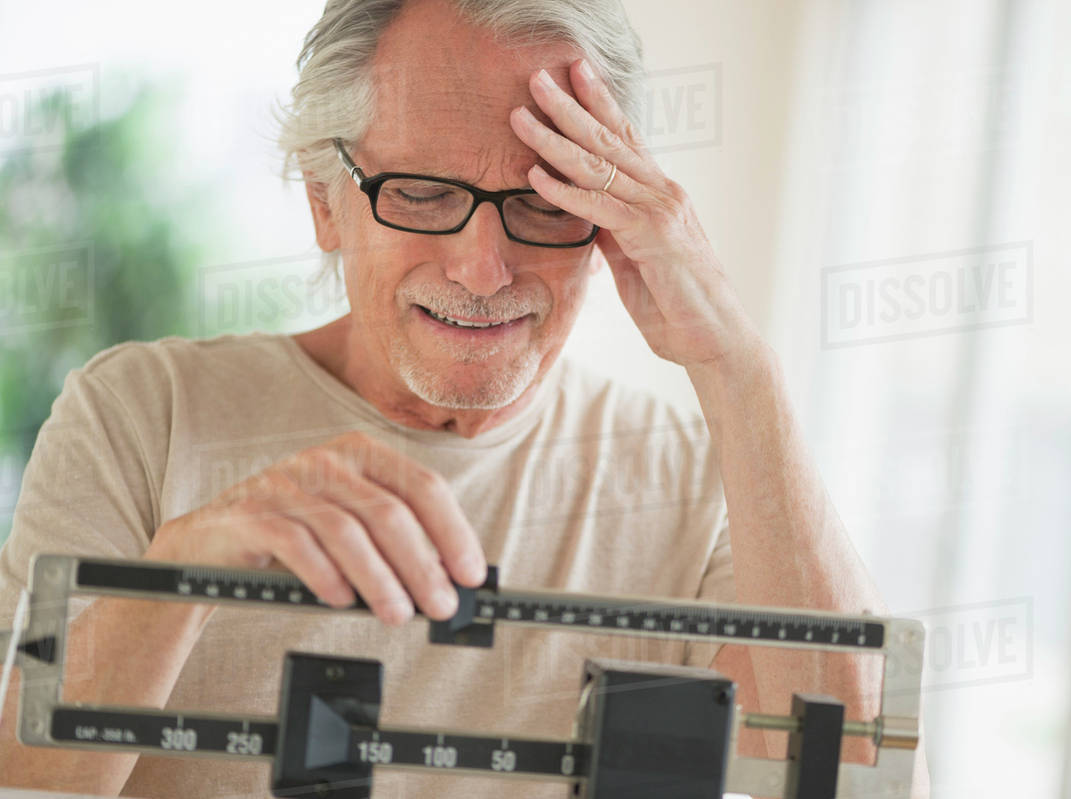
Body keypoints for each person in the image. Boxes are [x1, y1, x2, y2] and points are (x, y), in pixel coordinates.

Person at [0, 0, 929, 796]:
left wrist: (741, 367)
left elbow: (856, 773)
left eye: (544, 200)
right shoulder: (139, 414)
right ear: (326, 198)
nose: (484, 268)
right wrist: (179, 576)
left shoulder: (691, 475)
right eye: (421, 193)